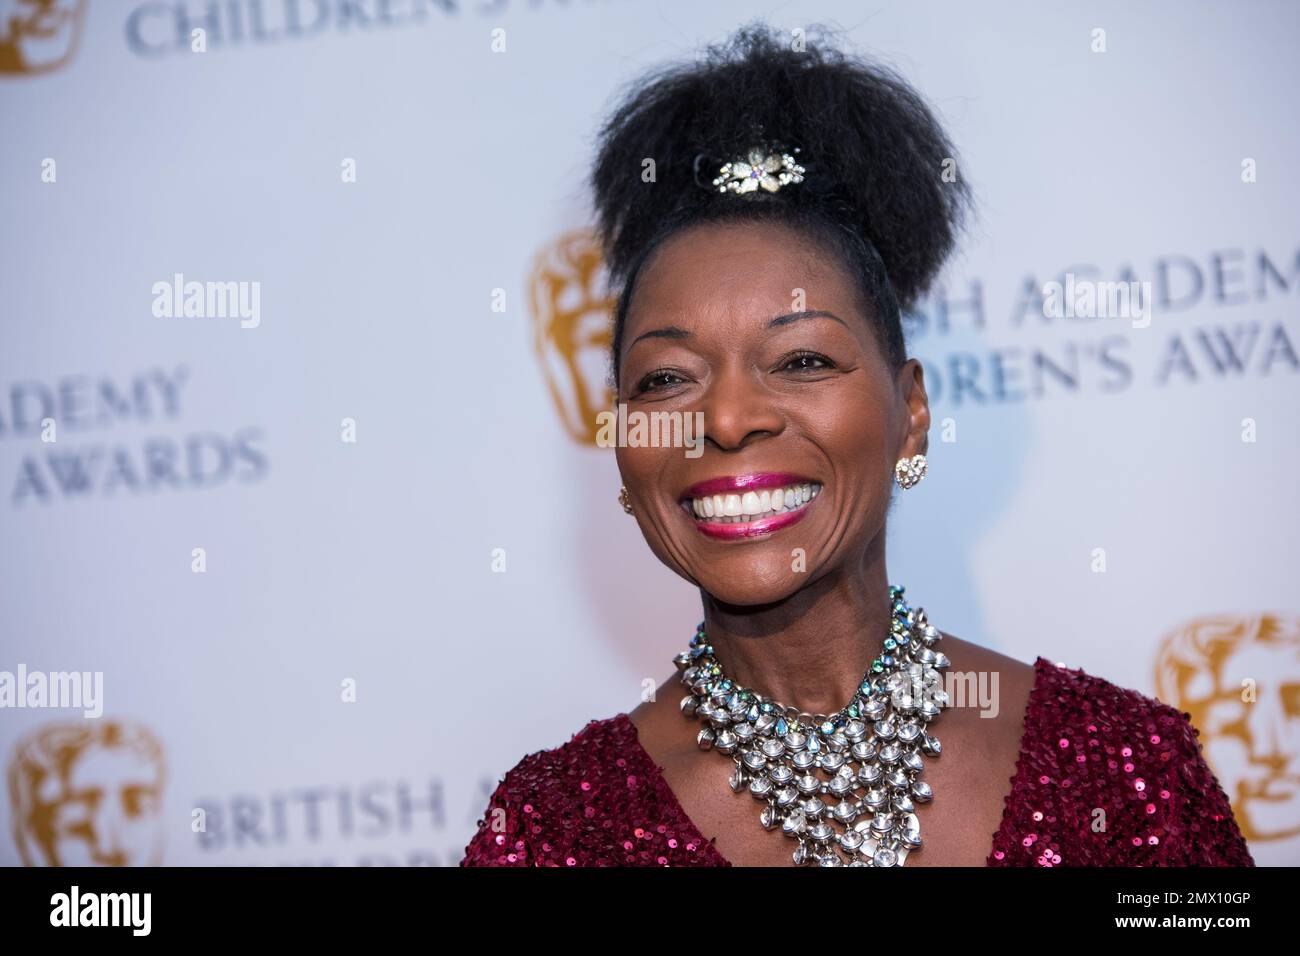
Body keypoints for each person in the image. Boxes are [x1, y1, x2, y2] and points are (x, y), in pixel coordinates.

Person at [462, 22, 1253, 867]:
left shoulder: (1121, 773)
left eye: (802, 359)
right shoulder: (553, 836)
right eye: (666, 379)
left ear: (911, 411)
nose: (728, 420)